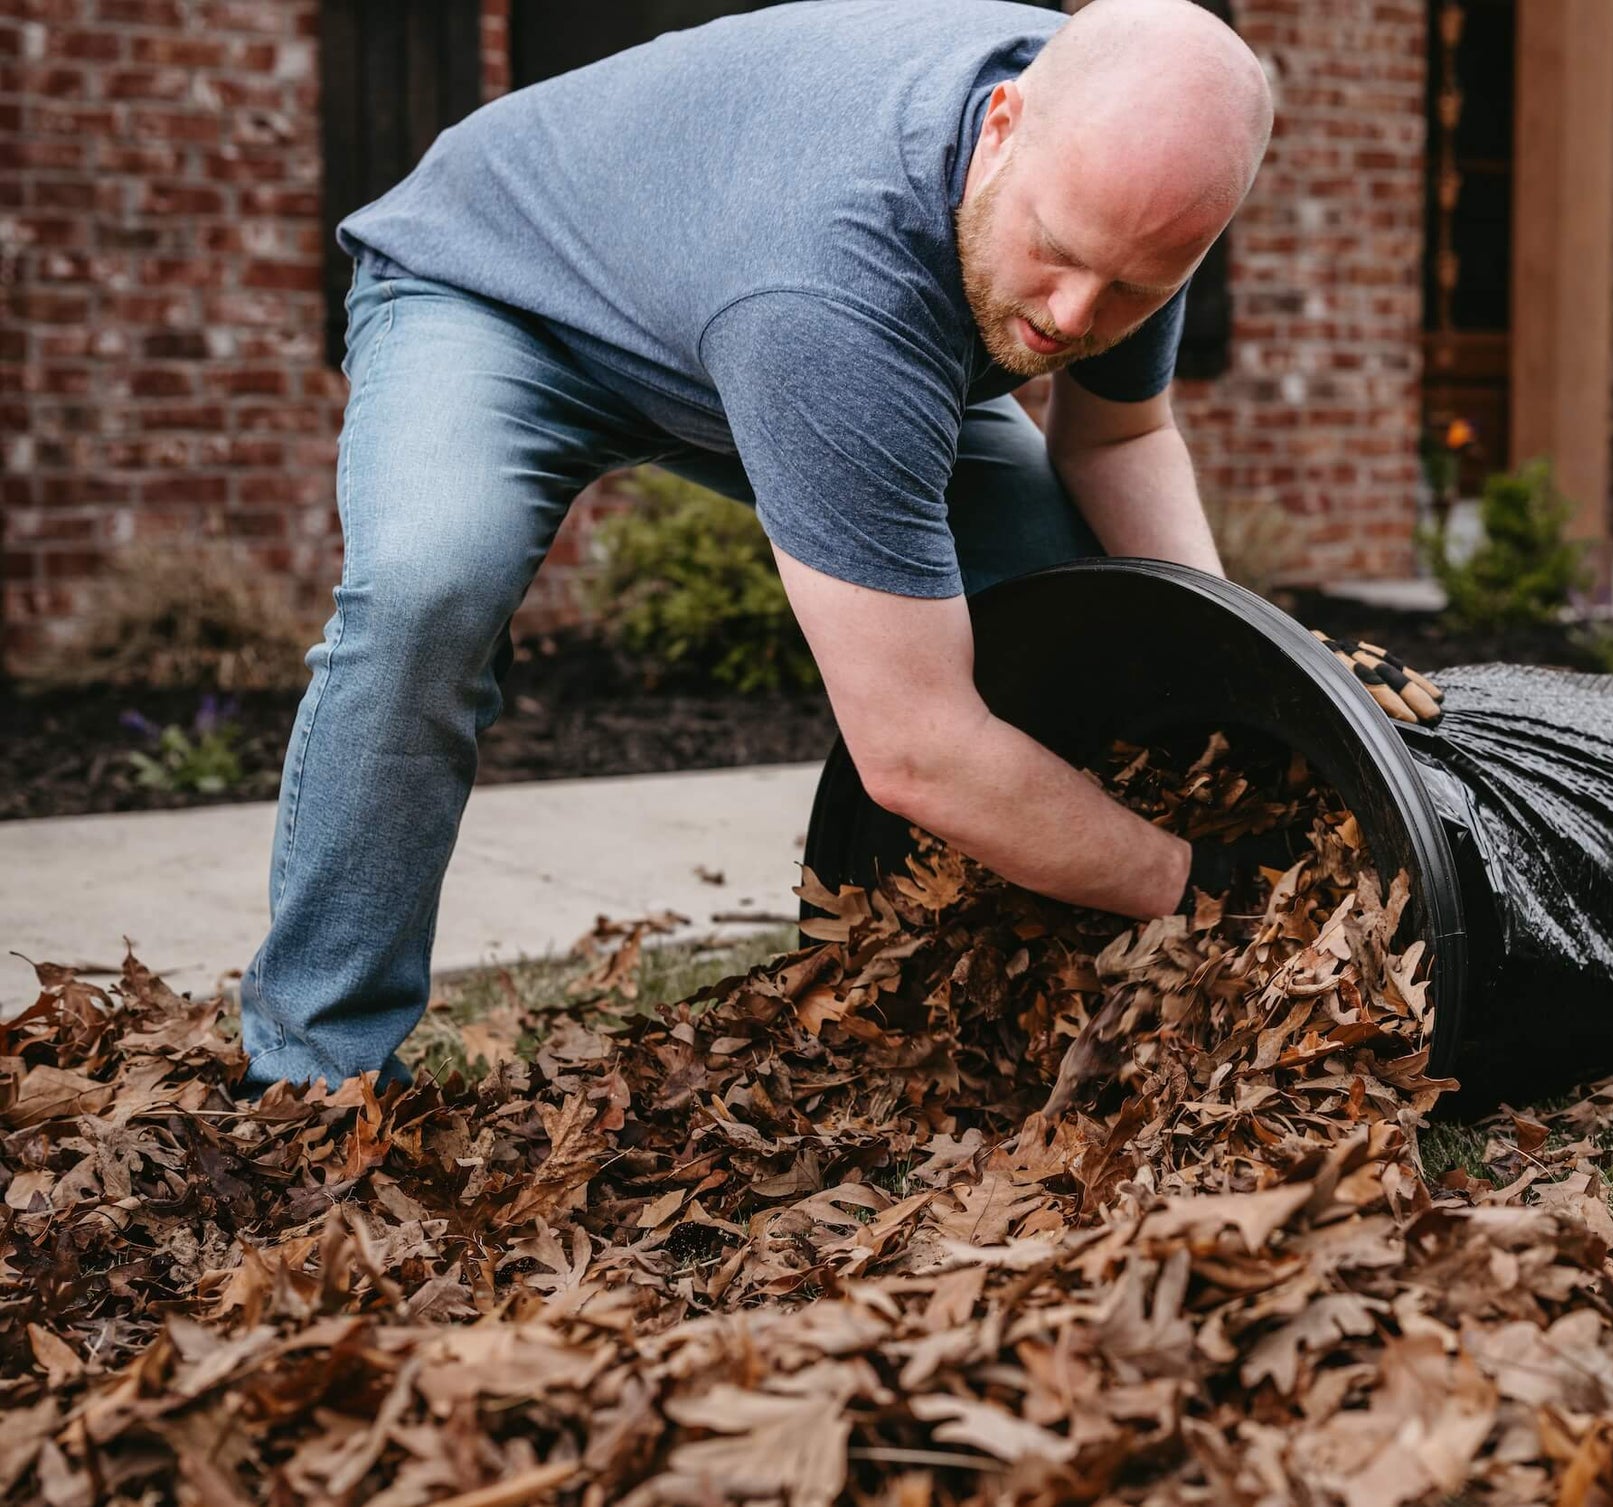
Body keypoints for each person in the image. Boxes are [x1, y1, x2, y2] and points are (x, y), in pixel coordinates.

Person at [240, 0, 1428, 1092]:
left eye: (1130, 290)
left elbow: (1116, 438)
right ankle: (312, 1065)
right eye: (1058, 255)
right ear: (1005, 123)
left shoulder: (1133, 166)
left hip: (753, 296)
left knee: (1068, 592)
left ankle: (1018, 972)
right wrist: (1200, 892)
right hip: (498, 290)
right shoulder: (837, 292)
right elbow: (914, 749)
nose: (1073, 320)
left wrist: (1246, 680)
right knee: (427, 592)